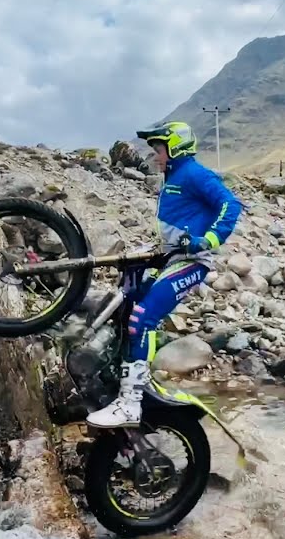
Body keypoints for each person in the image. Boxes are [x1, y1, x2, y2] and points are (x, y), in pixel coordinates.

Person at [86, 121, 243, 428]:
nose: (155, 156)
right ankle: (125, 379)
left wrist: (207, 240)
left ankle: (130, 404)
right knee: (127, 302)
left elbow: (230, 204)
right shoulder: (174, 175)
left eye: (159, 150)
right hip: (170, 258)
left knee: (143, 317)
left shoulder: (194, 173)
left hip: (192, 261)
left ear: (175, 147)